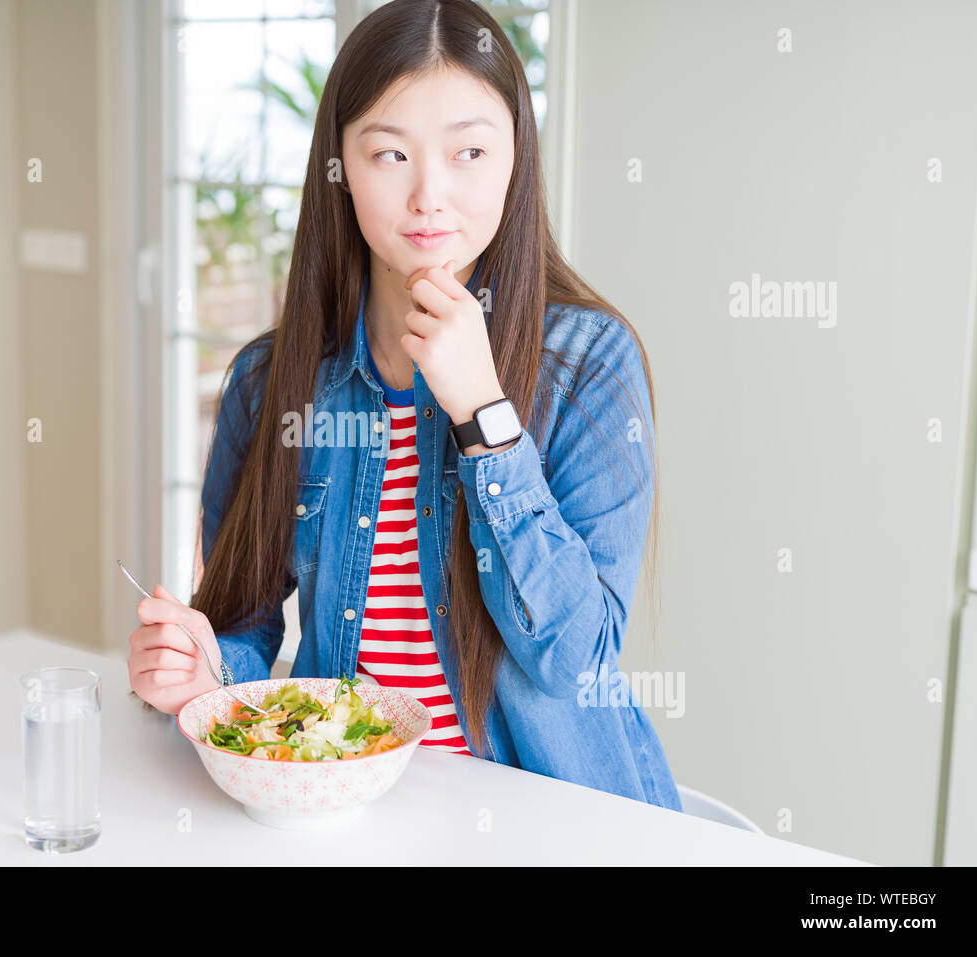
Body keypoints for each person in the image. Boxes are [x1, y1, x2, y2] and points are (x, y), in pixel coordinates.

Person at [129, 0, 681, 812]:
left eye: (469, 151)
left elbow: (575, 660)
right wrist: (202, 669)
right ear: (341, 166)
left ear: (514, 160)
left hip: (562, 820)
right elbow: (244, 630)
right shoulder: (271, 382)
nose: (431, 195)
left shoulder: (589, 363)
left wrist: (484, 414)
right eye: (390, 153)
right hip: (352, 813)